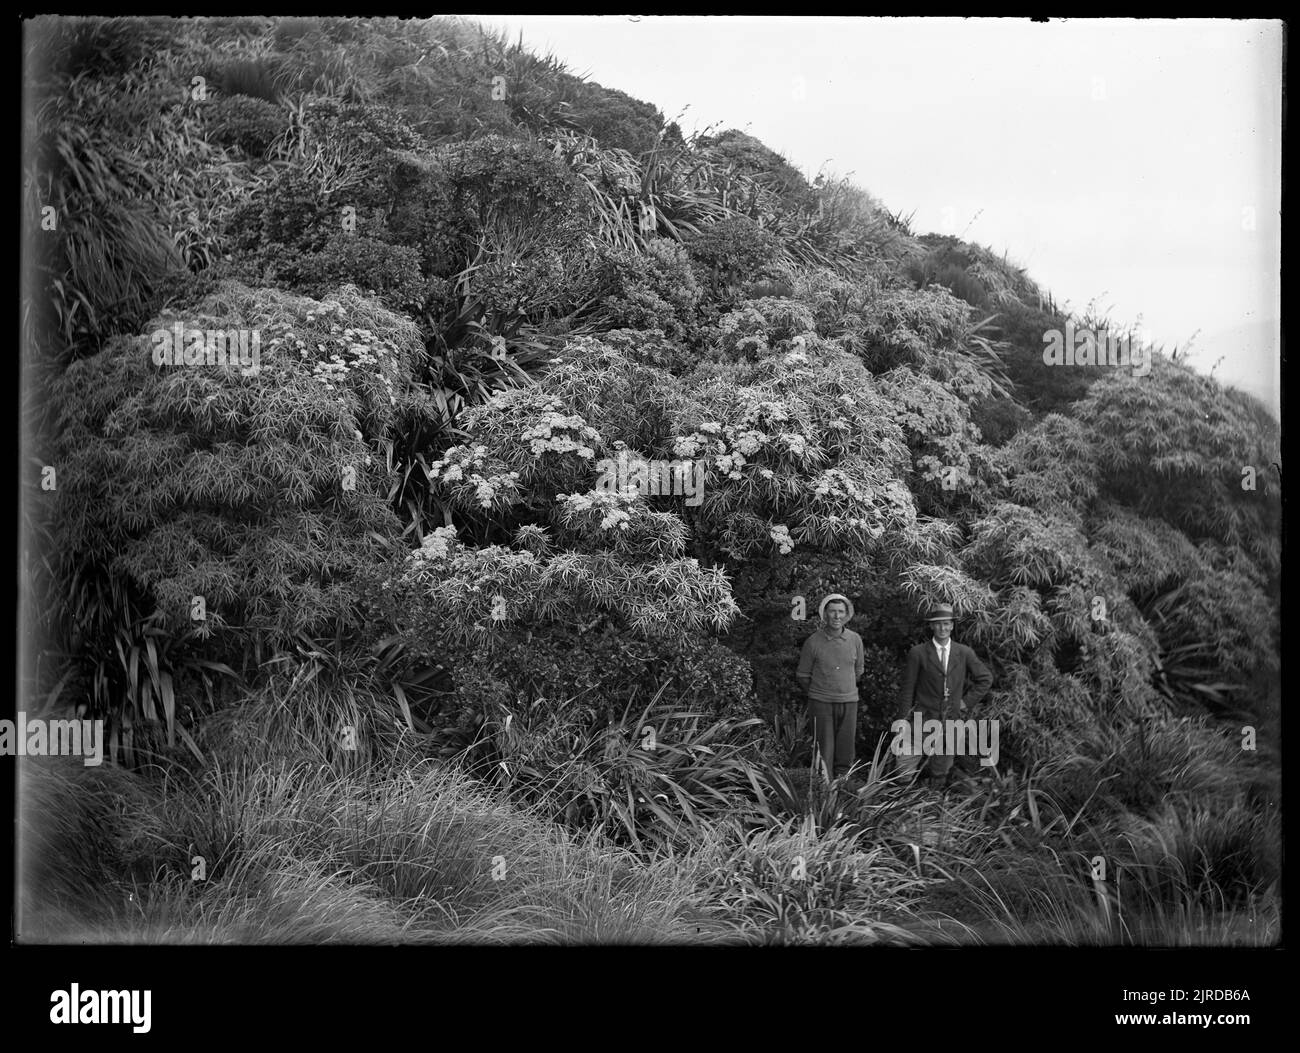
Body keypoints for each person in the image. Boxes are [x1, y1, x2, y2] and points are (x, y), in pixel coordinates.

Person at [894, 603, 992, 788]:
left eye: (946, 623)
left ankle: (934, 808)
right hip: (921, 720)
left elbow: (985, 679)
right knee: (904, 768)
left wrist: (964, 703)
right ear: (931, 626)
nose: (942, 628)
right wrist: (902, 721)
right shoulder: (918, 653)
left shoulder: (964, 652)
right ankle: (902, 808)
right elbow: (907, 689)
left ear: (952, 625)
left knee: (941, 770)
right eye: (938, 624)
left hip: (950, 723)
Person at [796, 594, 865, 783]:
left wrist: (843, 689)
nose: (837, 616)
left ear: (847, 614)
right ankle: (823, 790)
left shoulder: (855, 640)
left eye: (841, 611)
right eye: (832, 611)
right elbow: (803, 675)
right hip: (821, 703)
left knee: (846, 749)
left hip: (849, 702)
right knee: (824, 750)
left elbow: (858, 671)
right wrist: (821, 692)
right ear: (825, 614)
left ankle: (843, 787)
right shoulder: (813, 642)